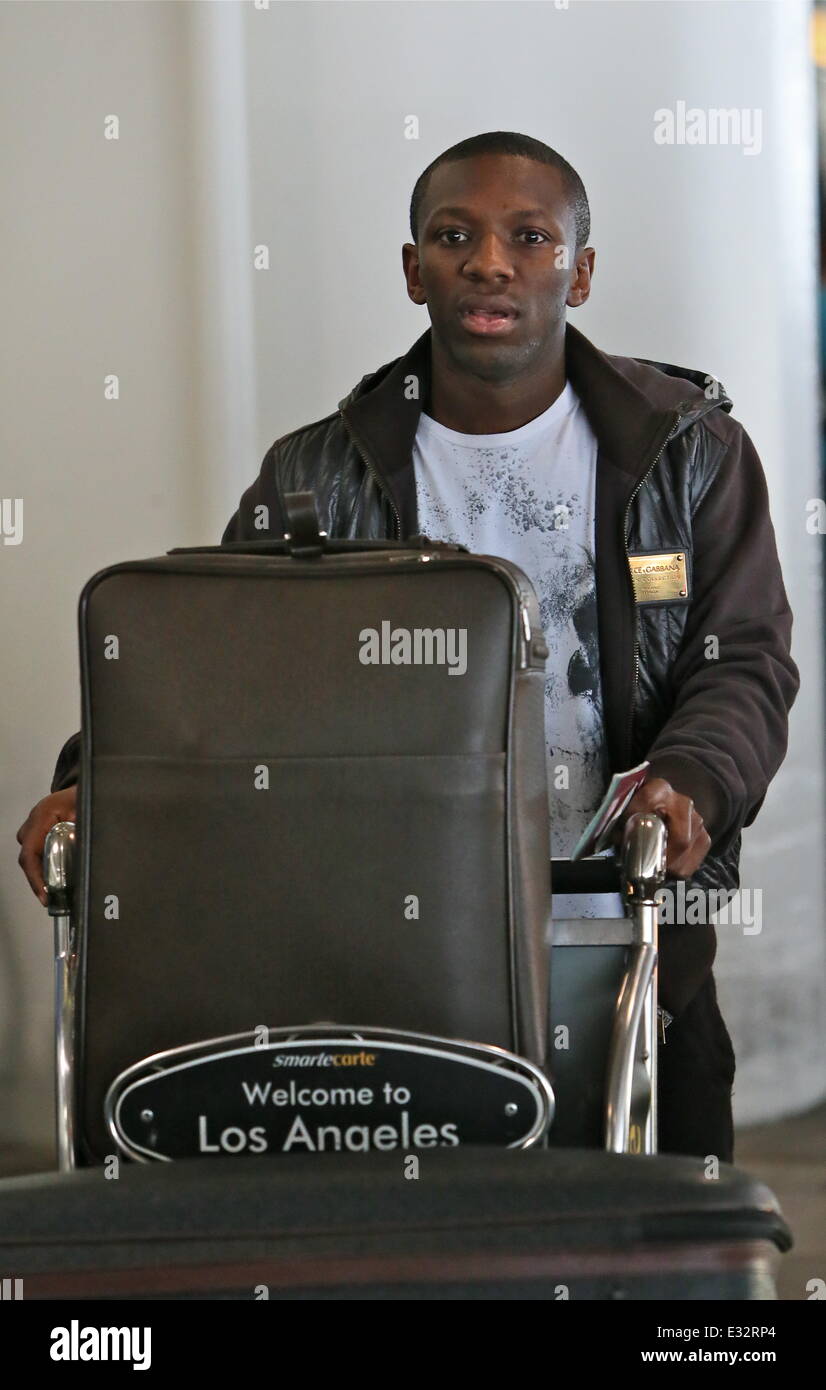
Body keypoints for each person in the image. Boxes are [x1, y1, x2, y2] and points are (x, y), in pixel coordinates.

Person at [17, 130, 799, 1162]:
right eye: (452, 235)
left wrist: (692, 777)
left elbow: (742, 660)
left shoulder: (688, 451)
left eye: (529, 237)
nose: (489, 262)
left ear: (583, 268)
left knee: (652, 1255)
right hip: (384, 947)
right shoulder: (318, 473)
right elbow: (213, 670)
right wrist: (96, 787)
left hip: (627, 931)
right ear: (411, 267)